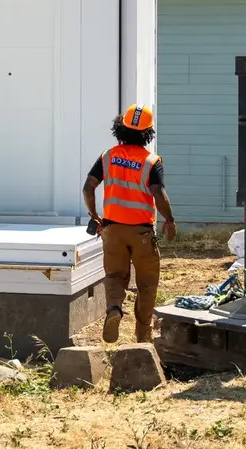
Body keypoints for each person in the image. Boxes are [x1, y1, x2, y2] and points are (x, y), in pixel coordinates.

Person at [82, 104, 177, 344]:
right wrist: (170, 219)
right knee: (146, 283)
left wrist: (94, 215)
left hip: (112, 229)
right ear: (148, 133)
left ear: (120, 128)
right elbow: (158, 194)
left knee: (114, 275)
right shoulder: (151, 161)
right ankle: (143, 336)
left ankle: (114, 307)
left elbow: (88, 188)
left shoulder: (108, 156)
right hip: (142, 232)